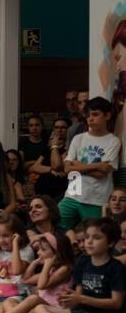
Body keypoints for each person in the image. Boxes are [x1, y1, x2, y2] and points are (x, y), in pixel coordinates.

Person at [24, 218, 125, 313]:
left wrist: (81, 299)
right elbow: (78, 294)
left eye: (97, 237)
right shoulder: (82, 262)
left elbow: (116, 303)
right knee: (40, 308)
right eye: (87, 237)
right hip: (83, 312)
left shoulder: (117, 268)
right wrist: (70, 299)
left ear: (111, 243)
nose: (89, 241)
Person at [0, 229, 74, 313]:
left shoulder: (64, 269)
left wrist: (47, 265)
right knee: (9, 302)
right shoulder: (51, 269)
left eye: (43, 250)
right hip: (40, 309)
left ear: (56, 252)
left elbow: (42, 285)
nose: (38, 252)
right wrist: (34, 263)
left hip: (54, 310)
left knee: (33, 298)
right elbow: (25, 280)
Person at [53, 96, 120, 228]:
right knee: (55, 226)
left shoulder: (113, 141)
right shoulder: (78, 138)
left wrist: (77, 165)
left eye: (95, 114)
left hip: (96, 199)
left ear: (107, 115)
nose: (90, 118)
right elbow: (66, 169)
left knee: (94, 233)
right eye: (88, 115)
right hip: (72, 194)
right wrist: (97, 165)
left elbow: (103, 173)